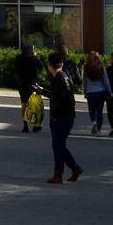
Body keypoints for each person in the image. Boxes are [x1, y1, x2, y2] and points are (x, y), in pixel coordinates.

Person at [45, 51, 84, 183]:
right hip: (61, 117)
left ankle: (58, 174)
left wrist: (58, 115)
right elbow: (58, 96)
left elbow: (68, 99)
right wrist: (42, 91)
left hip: (62, 118)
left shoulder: (61, 78)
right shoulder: (59, 77)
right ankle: (74, 168)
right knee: (59, 146)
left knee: (57, 146)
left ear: (49, 65)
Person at [13, 45, 44, 133]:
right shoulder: (32, 58)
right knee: (35, 104)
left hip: (22, 83)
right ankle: (35, 125)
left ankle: (25, 125)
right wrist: (35, 56)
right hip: (33, 84)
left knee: (24, 104)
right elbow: (41, 67)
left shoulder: (18, 58)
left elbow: (16, 69)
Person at [80, 51, 112, 135]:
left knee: (91, 110)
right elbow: (106, 81)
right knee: (99, 111)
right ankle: (98, 129)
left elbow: (84, 81)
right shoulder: (101, 67)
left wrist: (85, 91)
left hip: (90, 92)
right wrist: (110, 91)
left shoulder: (85, 67)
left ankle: (93, 121)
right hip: (100, 92)